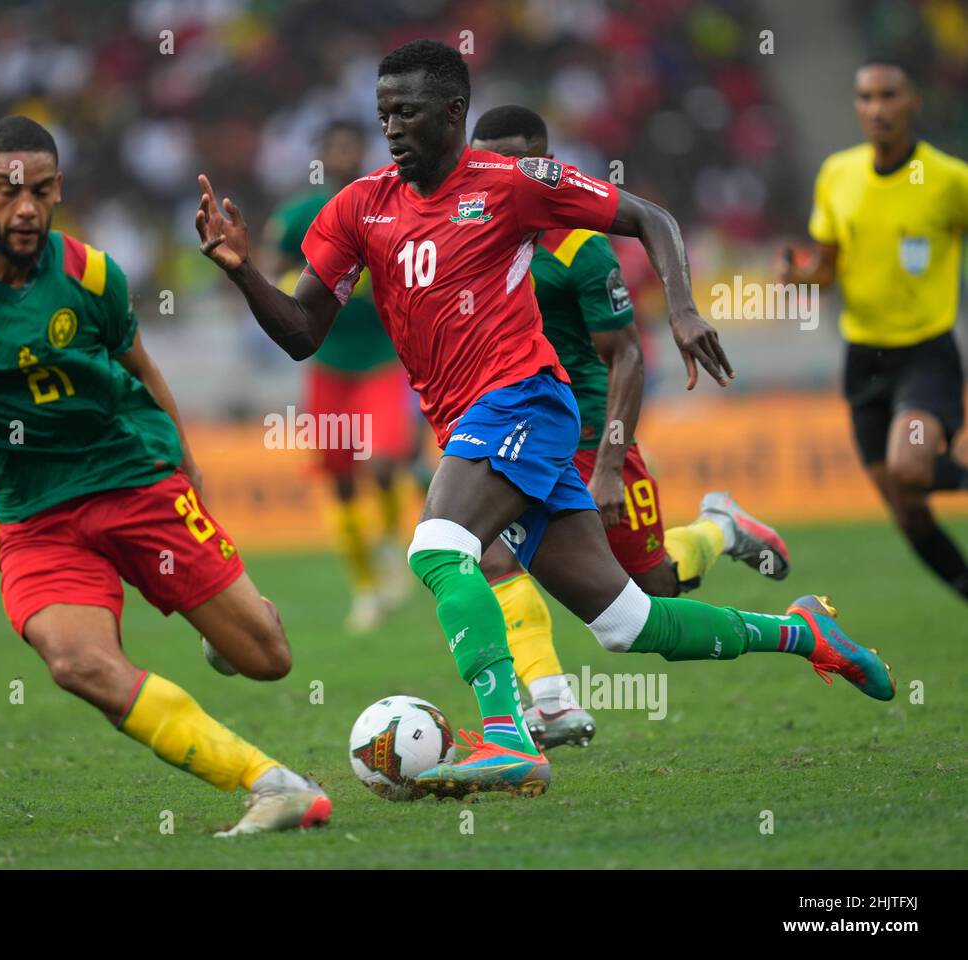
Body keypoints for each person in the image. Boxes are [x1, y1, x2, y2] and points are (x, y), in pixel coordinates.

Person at [196, 41, 894, 799]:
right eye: (383, 114)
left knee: (438, 546)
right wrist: (242, 274)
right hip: (471, 419)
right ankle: (804, 633)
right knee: (629, 619)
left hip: (524, 396)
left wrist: (685, 309)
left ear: (454, 114)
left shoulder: (512, 184)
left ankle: (508, 738)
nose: (391, 128)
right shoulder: (359, 208)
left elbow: (650, 217)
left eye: (408, 112)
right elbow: (303, 333)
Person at [0, 116, 330, 837]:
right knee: (77, 662)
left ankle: (231, 617)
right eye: (9, 190)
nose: (26, 207)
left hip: (134, 481)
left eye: (43, 190)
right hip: (37, 517)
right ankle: (269, 783)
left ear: (59, 192)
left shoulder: (91, 274)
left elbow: (144, 375)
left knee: (269, 660)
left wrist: (189, 471)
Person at [468, 104, 792, 749]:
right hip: (516, 434)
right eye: (484, 161)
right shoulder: (476, 239)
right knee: (487, 551)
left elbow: (627, 356)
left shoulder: (582, 252)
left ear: (545, 164)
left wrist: (612, 463)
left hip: (590, 436)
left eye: (509, 160)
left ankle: (719, 529)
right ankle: (553, 704)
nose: (494, 174)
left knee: (650, 588)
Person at [782, 58, 968, 603]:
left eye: (889, 96)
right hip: (863, 360)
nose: (877, 109)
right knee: (907, 512)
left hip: (924, 354)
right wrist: (798, 275)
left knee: (911, 466)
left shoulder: (947, 179)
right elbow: (826, 268)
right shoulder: (838, 174)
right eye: (866, 98)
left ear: (913, 102)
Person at [262, 121, 415, 632]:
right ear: (322, 158)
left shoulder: (388, 204)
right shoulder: (298, 215)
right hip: (327, 362)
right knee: (341, 480)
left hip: (380, 356)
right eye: (336, 149)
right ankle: (365, 587)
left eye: (353, 148)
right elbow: (272, 268)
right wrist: (286, 283)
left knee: (388, 459)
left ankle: (391, 545)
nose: (345, 156)